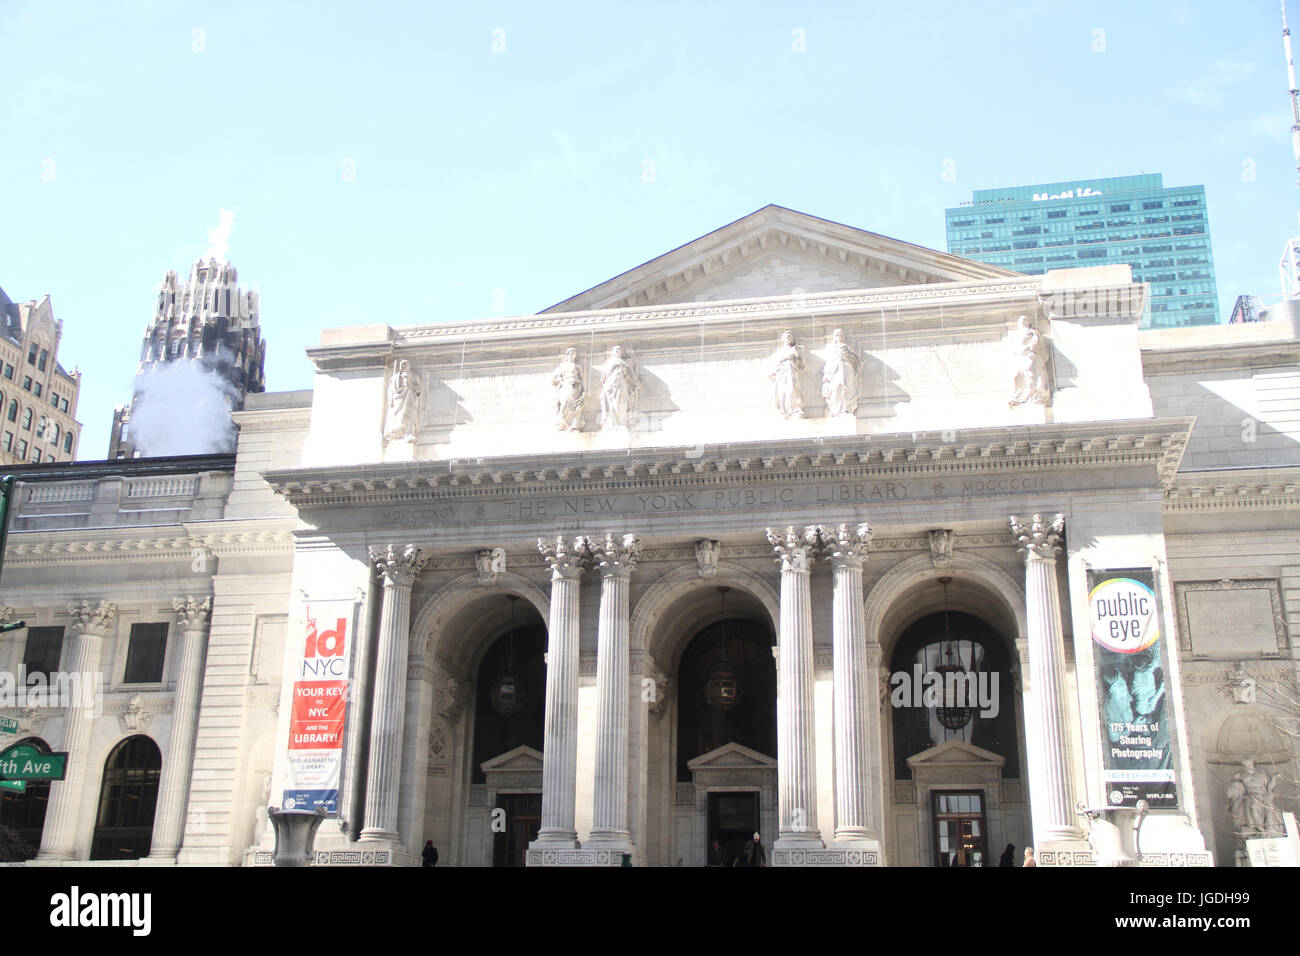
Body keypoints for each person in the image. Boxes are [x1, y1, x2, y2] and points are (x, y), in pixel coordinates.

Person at [598, 345, 640, 429]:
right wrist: (614, 364)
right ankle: (612, 423)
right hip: (611, 384)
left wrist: (636, 383)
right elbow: (605, 375)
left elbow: (630, 375)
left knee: (620, 402)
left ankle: (621, 422)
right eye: (616, 350)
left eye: (619, 350)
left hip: (622, 383)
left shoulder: (626, 362)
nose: (618, 351)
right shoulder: (609, 362)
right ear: (613, 352)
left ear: (621, 352)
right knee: (611, 403)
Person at [821, 328, 861, 416]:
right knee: (836, 387)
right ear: (835, 337)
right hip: (835, 370)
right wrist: (826, 375)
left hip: (847, 369)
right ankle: (836, 410)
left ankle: (846, 408)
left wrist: (847, 355)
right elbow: (828, 362)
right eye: (837, 335)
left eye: (840, 335)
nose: (839, 336)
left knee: (847, 387)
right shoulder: (831, 348)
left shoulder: (847, 347)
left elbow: (856, 360)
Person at [768, 330, 806, 418]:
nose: (788, 338)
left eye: (790, 336)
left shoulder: (795, 349)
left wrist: (793, 358)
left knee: (792, 388)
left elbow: (801, 365)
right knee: (782, 391)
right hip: (781, 374)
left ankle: (794, 408)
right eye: (787, 336)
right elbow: (775, 364)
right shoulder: (779, 352)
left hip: (792, 372)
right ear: (783, 339)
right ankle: (783, 409)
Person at [384, 359, 422, 440]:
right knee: (397, 416)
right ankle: (394, 433)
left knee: (409, 413)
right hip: (398, 400)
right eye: (402, 365)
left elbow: (419, 389)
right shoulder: (395, 378)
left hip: (409, 399)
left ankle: (409, 433)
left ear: (409, 366)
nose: (404, 366)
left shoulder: (414, 377)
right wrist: (390, 400)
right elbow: (391, 391)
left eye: (406, 364)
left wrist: (410, 386)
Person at [551, 348, 586, 431]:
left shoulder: (577, 367)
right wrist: (560, 380)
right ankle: (562, 422)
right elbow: (554, 378)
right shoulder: (562, 366)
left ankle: (575, 424)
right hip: (566, 385)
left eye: (573, 353)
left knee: (575, 406)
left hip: (576, 387)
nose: (572, 355)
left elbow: (582, 378)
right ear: (567, 355)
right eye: (570, 353)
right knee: (565, 403)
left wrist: (584, 390)